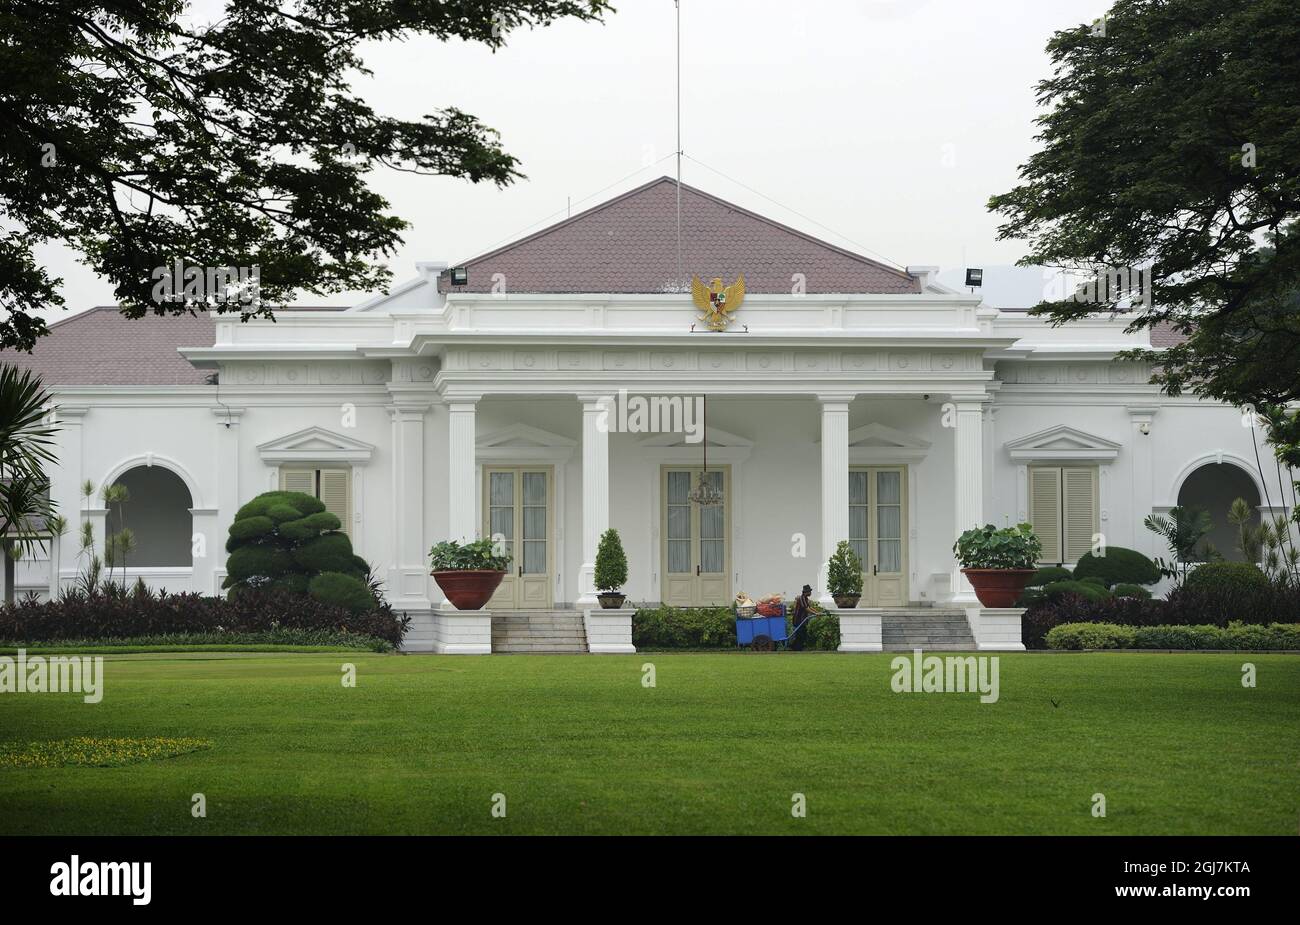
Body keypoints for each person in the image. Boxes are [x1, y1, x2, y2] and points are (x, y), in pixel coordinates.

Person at [789, 584, 813, 651]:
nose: (810, 593)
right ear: (806, 592)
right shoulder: (802, 598)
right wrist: (815, 613)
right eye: (809, 592)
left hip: (803, 620)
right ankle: (796, 648)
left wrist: (817, 612)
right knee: (800, 635)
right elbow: (806, 608)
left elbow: (810, 607)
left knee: (803, 634)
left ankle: (796, 647)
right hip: (798, 619)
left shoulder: (805, 598)